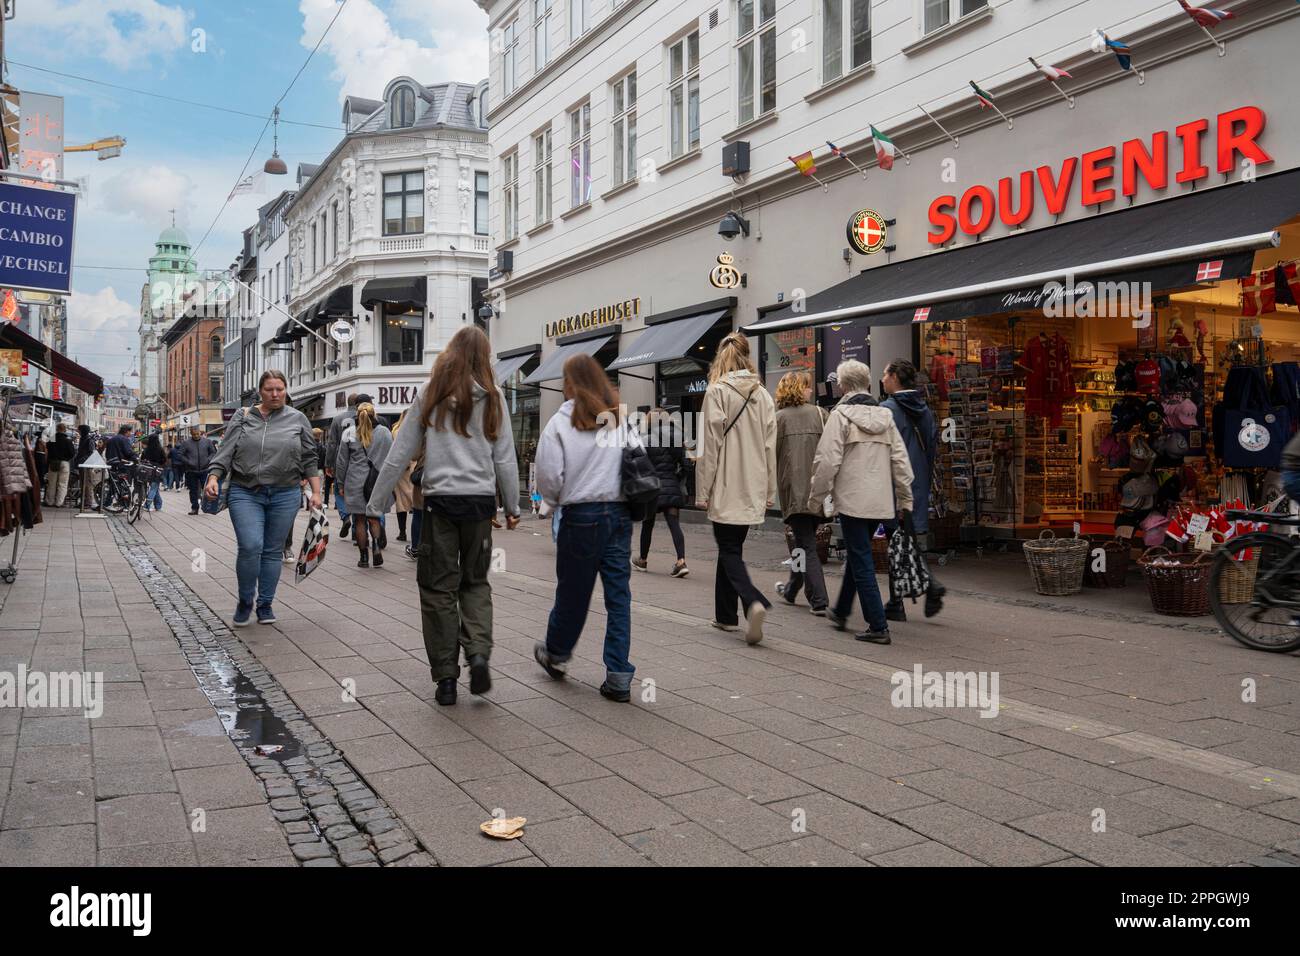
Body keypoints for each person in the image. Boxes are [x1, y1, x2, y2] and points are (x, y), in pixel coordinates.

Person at [367, 326, 520, 705]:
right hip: (480, 505)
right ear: (484, 356)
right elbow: (505, 457)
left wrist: (375, 506)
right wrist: (513, 506)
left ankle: (446, 679)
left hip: (439, 505)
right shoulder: (495, 396)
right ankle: (479, 653)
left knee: (438, 589)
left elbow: (399, 454)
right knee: (475, 583)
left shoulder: (431, 392)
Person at [532, 353, 636, 702]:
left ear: (569, 384)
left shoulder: (559, 424)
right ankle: (619, 675)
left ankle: (557, 655)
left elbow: (548, 479)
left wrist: (561, 496)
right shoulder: (619, 418)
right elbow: (636, 460)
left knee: (573, 594)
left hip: (581, 516)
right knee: (618, 597)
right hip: (619, 515)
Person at [206, 370, 321, 627]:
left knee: (271, 552)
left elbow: (309, 458)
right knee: (250, 546)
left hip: (285, 493)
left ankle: (265, 604)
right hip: (245, 491)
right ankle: (245, 600)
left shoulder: (297, 418)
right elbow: (225, 451)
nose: (276, 394)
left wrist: (316, 492)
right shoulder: (243, 416)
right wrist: (214, 477)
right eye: (270, 389)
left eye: (280, 389)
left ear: (286, 389)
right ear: (260, 391)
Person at [810, 360, 914, 645]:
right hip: (880, 502)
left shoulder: (840, 416)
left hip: (854, 501)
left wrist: (815, 499)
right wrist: (905, 498)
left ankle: (878, 625)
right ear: (868, 384)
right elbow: (901, 461)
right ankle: (842, 610)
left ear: (843, 385)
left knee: (862, 560)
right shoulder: (886, 417)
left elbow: (826, 461)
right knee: (860, 555)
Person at [695, 331, 777, 645]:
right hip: (753, 482)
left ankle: (753, 601)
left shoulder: (716, 391)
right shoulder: (763, 395)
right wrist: (770, 490)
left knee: (728, 548)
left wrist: (702, 491)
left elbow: (709, 446)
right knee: (732, 547)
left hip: (726, 483)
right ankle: (725, 616)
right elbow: (771, 447)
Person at [881, 359, 946, 619]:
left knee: (896, 542)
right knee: (904, 542)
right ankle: (904, 600)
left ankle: (924, 590)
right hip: (917, 481)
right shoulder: (925, 410)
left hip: (893, 484)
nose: (883, 378)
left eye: (886, 374)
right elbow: (932, 449)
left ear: (895, 377)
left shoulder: (888, 409)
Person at [774, 371, 829, 615]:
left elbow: (770, 456)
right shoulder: (820, 414)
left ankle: (819, 599)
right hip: (818, 488)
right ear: (798, 389)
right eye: (807, 387)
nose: (810, 391)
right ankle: (792, 588)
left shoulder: (778, 419)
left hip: (793, 490)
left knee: (805, 542)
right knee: (803, 538)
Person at [632, 407, 689, 578]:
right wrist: (676, 479)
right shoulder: (677, 437)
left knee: (647, 524)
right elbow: (686, 465)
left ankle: (642, 560)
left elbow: (638, 465)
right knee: (674, 524)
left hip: (652, 489)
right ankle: (681, 561)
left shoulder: (645, 438)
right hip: (671, 484)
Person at [336, 402, 392, 568]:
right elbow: (391, 458)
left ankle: (363, 558)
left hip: (355, 481)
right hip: (376, 481)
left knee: (359, 520)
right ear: (374, 415)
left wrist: (340, 483)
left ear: (356, 416)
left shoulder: (349, 433)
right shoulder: (384, 433)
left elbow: (341, 462)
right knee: (374, 518)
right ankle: (376, 546)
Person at [326, 392, 370, 540]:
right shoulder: (367, 416)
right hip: (361, 460)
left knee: (340, 491)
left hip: (342, 458)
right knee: (359, 497)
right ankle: (358, 534)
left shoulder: (338, 419)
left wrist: (329, 464)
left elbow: (332, 443)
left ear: (347, 403)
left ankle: (345, 516)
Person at [389, 409, 423, 557]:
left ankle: (407, 536)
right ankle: (412, 538)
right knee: (414, 505)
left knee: (405, 504)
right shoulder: (409, 429)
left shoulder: (397, 430)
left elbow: (401, 451)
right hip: (412, 469)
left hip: (405, 470)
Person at [176, 427, 217, 514]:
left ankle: (208, 506)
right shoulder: (186, 443)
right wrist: (188, 461)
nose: (196, 436)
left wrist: (208, 460)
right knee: (193, 490)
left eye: (197, 434)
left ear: (200, 433)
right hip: (191, 470)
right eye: (194, 434)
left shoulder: (207, 442)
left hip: (205, 469)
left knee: (207, 489)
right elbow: (180, 454)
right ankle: (195, 508)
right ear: (191, 434)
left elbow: (213, 452)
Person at [45, 422, 75, 507]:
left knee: (52, 483)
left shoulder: (51, 440)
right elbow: (72, 453)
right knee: (62, 484)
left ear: (57, 429)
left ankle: (49, 501)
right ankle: (59, 503)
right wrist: (66, 458)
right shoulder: (68, 441)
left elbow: (48, 451)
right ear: (65, 430)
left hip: (53, 462)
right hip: (64, 463)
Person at [141, 432, 167, 511]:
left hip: (147, 470)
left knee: (154, 488)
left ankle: (158, 505)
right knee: (154, 487)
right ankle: (147, 505)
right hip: (157, 470)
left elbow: (142, 459)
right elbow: (164, 459)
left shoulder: (146, 450)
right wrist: (160, 465)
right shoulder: (160, 449)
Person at [312, 427, 329, 506]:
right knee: (320, 488)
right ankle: (319, 503)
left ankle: (310, 503)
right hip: (320, 471)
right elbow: (325, 460)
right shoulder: (323, 448)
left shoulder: (310, 447)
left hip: (311, 470)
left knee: (309, 488)